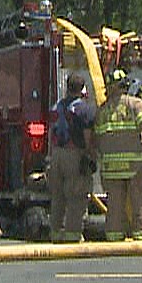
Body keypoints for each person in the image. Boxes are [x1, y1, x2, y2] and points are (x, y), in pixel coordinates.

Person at [92, 69, 142, 241]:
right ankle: (141, 237)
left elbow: (95, 140)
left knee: (115, 206)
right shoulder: (135, 104)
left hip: (111, 170)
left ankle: (114, 238)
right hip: (136, 167)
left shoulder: (102, 111)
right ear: (125, 85)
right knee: (141, 203)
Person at [47, 73, 97, 243]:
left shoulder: (56, 107)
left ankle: (55, 232)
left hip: (56, 154)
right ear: (82, 89)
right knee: (76, 195)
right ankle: (72, 235)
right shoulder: (84, 109)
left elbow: (51, 132)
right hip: (74, 154)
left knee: (58, 195)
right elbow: (87, 135)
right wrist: (90, 154)